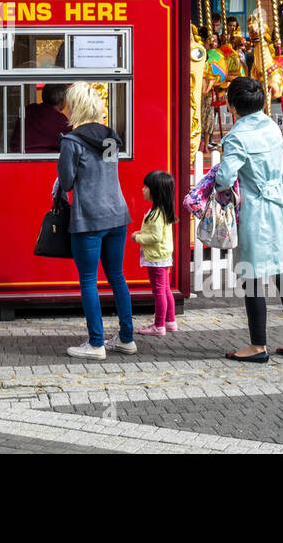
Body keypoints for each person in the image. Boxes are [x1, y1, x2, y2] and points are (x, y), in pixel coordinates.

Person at [217, 77, 283, 362]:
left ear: (232, 105)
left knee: (253, 278)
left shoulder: (236, 136)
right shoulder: (272, 127)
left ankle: (258, 346)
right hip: (279, 204)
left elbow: (224, 179)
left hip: (256, 210)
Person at [55, 81, 135, 360]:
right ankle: (127, 338)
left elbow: (66, 182)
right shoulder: (111, 138)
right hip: (117, 214)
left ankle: (96, 343)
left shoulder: (71, 141)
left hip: (88, 218)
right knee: (117, 277)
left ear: (74, 107)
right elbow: (106, 172)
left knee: (88, 280)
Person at [132, 170, 178, 337]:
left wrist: (138, 237)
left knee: (159, 291)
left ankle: (159, 325)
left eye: (146, 187)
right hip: (163, 256)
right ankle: (170, 321)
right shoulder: (162, 210)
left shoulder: (156, 214)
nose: (142, 189)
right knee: (165, 289)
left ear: (155, 191)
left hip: (156, 257)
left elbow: (155, 237)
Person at [24, 83, 72, 153]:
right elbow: (70, 144)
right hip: (45, 160)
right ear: (62, 100)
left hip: (18, 156)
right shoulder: (60, 120)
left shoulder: (29, 109)